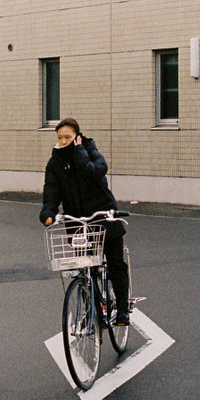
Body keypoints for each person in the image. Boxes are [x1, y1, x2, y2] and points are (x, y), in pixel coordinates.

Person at [40, 118, 130, 325]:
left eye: (67, 137)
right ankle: (90, 309)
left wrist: (80, 152)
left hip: (104, 217)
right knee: (84, 268)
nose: (63, 141)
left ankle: (123, 310)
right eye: (60, 138)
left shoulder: (90, 152)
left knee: (115, 263)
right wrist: (49, 212)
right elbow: (51, 190)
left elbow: (95, 172)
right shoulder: (55, 163)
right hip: (78, 222)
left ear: (77, 137)